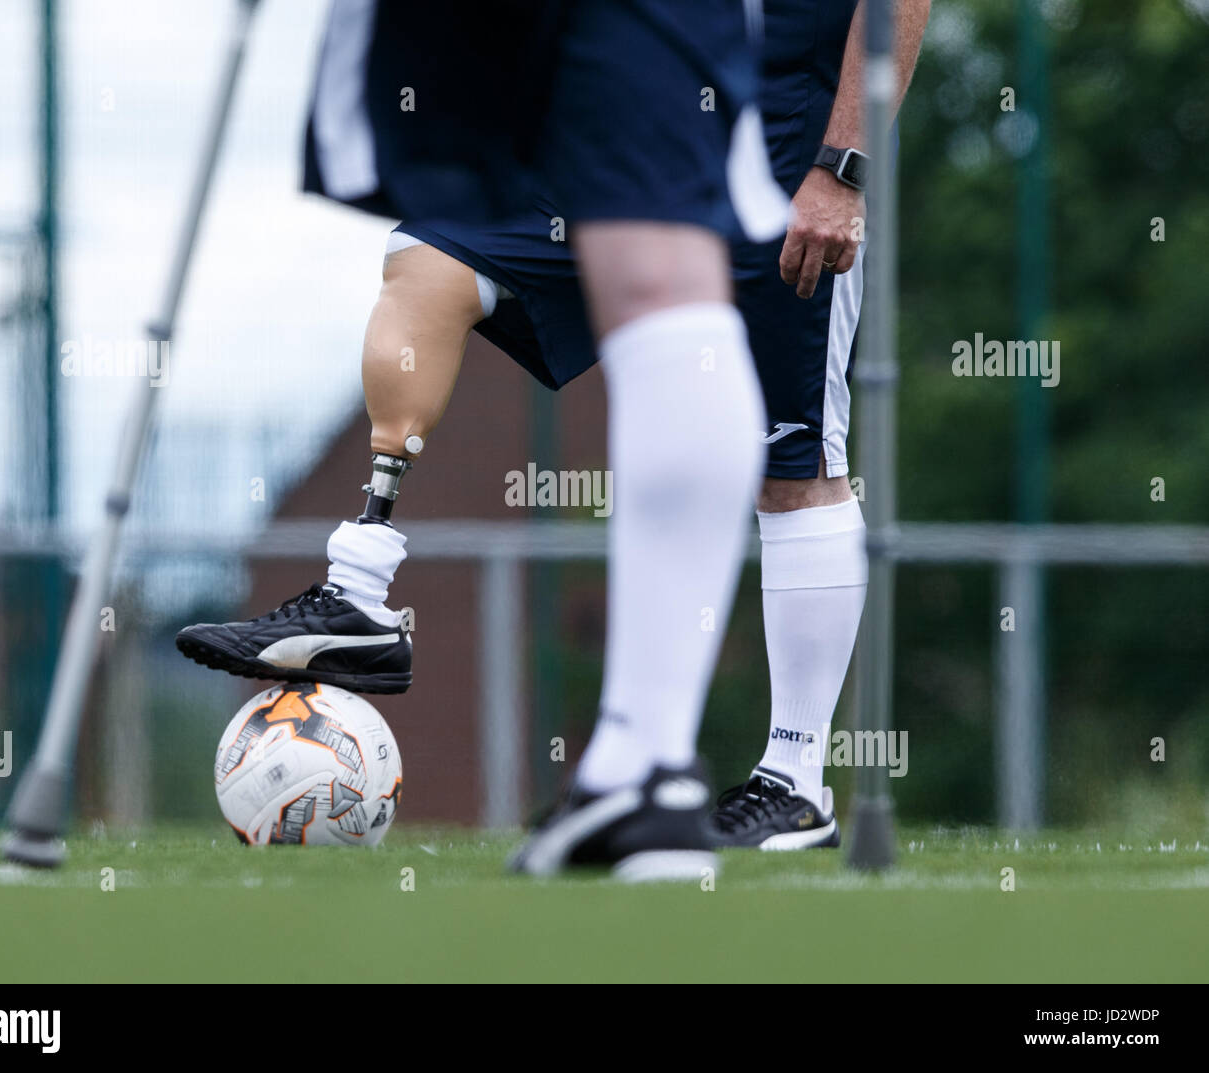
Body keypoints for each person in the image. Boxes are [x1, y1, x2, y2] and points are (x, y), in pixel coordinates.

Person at [179, 0, 930, 872]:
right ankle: (360, 588)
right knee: (436, 254)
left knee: (790, 459)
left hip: (780, 113)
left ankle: (784, 780)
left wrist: (845, 163)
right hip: (609, 70)